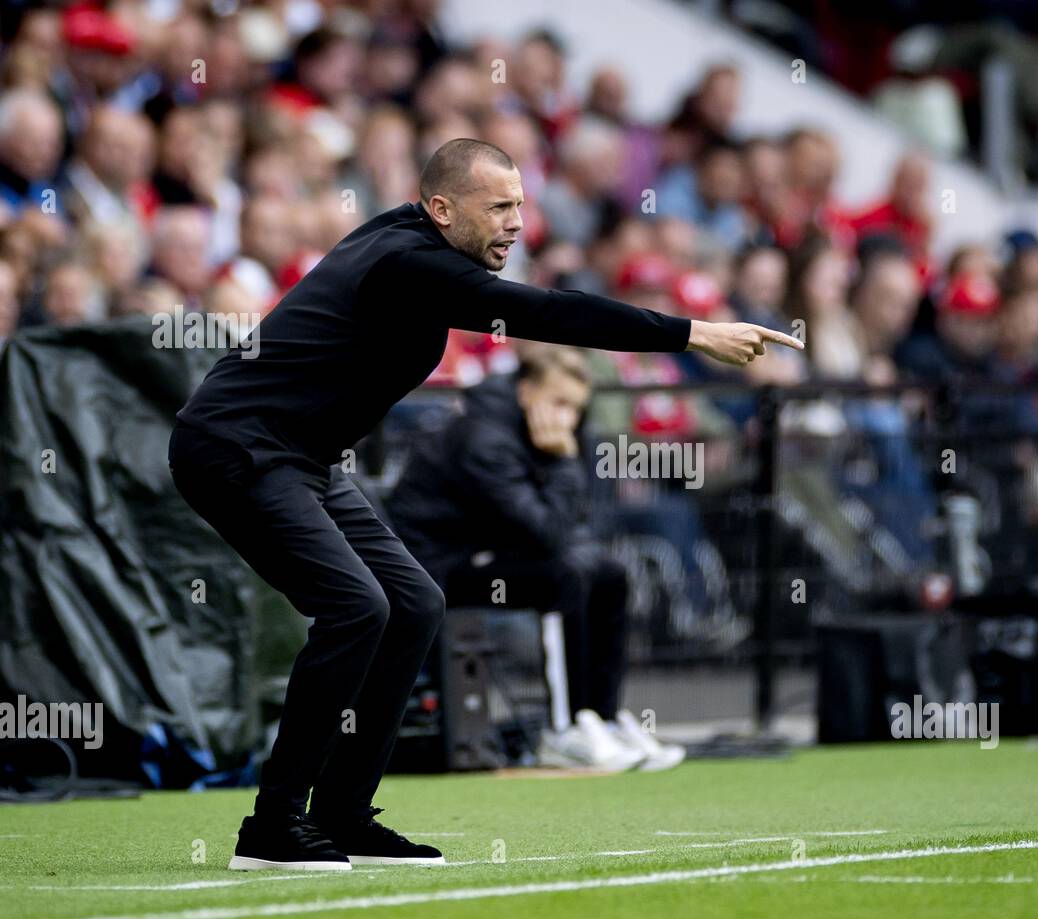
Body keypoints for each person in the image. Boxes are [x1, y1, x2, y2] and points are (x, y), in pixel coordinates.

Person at [168, 138, 801, 871]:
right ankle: (273, 823)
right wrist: (693, 332)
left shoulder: (415, 242)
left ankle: (342, 813)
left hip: (302, 457)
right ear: (441, 209)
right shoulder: (409, 261)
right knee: (356, 608)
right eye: (498, 207)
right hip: (235, 446)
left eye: (521, 207)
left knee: (415, 604)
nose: (514, 224)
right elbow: (547, 311)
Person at [387, 347, 686, 772]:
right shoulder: (485, 439)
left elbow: (579, 520)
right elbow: (548, 533)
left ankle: (600, 719)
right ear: (526, 392)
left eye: (576, 408)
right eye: (559, 403)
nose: (568, 417)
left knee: (609, 573)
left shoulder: (557, 430)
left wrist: (565, 465)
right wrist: (563, 462)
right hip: (437, 567)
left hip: (498, 553)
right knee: (565, 575)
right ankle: (562, 731)